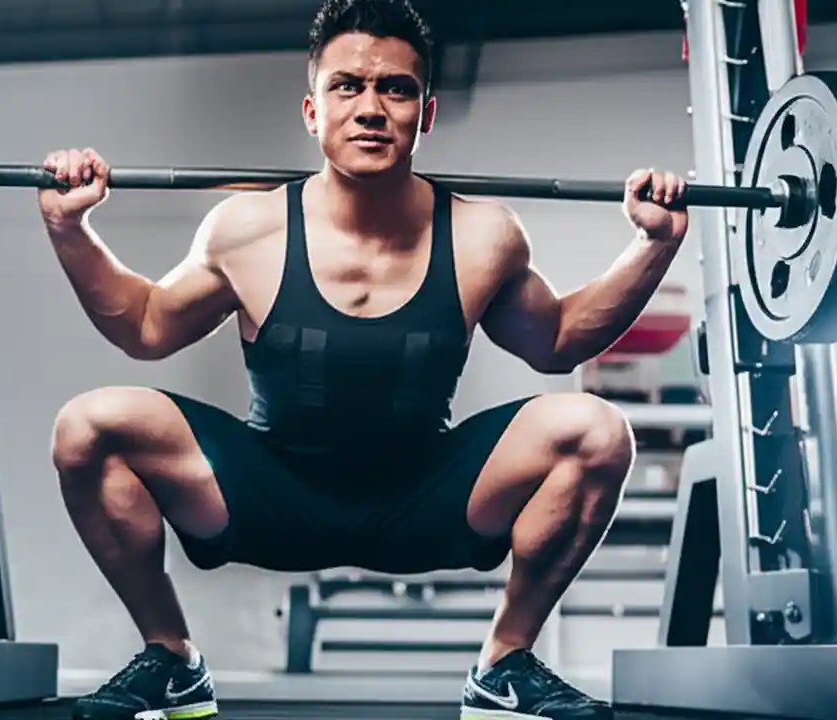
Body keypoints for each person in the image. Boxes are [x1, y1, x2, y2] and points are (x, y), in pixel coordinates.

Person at [41, 1, 688, 718]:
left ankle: (503, 665)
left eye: (396, 88)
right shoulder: (246, 228)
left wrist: (653, 245)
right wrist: (71, 231)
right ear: (313, 112)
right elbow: (144, 328)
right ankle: (172, 658)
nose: (371, 108)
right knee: (87, 427)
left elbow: (558, 340)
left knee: (598, 432)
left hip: (427, 497)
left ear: (427, 113)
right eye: (347, 86)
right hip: (268, 492)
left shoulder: (484, 235)